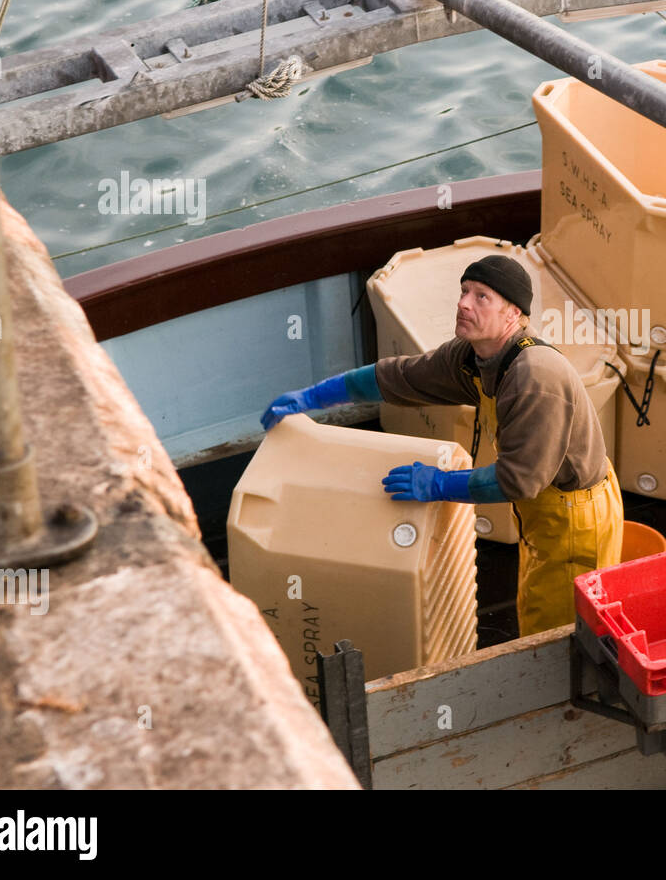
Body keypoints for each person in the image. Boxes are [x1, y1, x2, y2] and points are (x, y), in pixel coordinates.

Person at [261, 253, 623, 636]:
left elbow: (518, 481)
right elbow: (403, 377)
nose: (464, 303)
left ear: (512, 313)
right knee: (535, 611)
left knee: (559, 634)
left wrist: (438, 485)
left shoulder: (534, 376)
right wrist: (315, 396)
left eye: (482, 296)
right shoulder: (474, 356)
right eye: (464, 291)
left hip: (575, 518)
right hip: (542, 513)